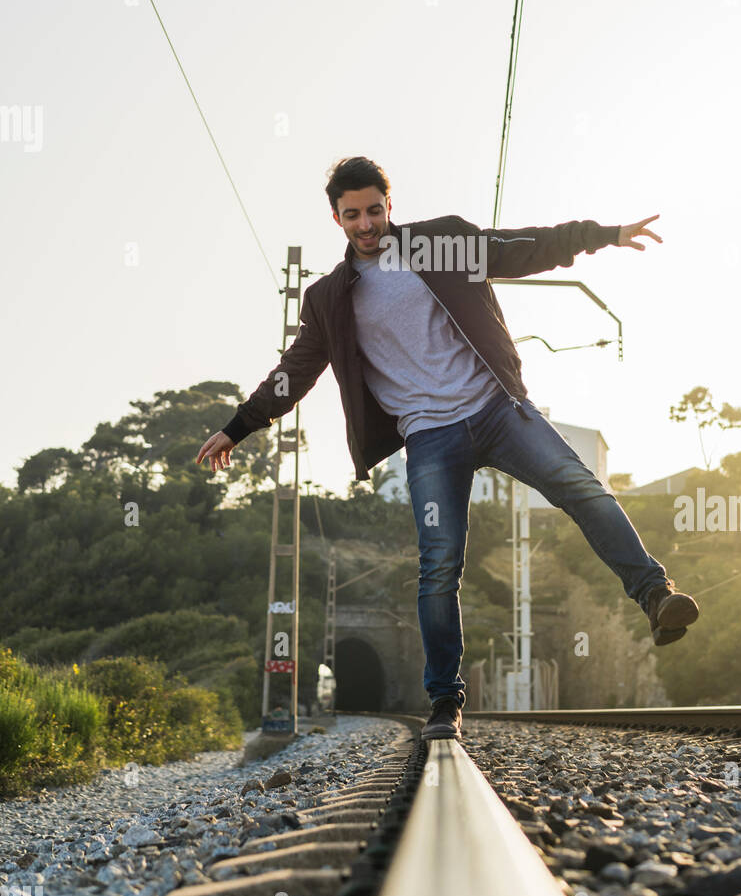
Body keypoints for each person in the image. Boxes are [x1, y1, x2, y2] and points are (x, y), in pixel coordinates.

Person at [196, 156, 699, 742]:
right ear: (335, 218)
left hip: (497, 409)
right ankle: (444, 703)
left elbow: (521, 248)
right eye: (352, 215)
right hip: (430, 437)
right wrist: (239, 426)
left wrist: (601, 236)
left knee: (582, 488)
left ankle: (656, 597)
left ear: (390, 204)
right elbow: (295, 372)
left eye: (375, 210)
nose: (366, 224)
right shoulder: (329, 299)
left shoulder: (441, 243)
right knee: (440, 567)